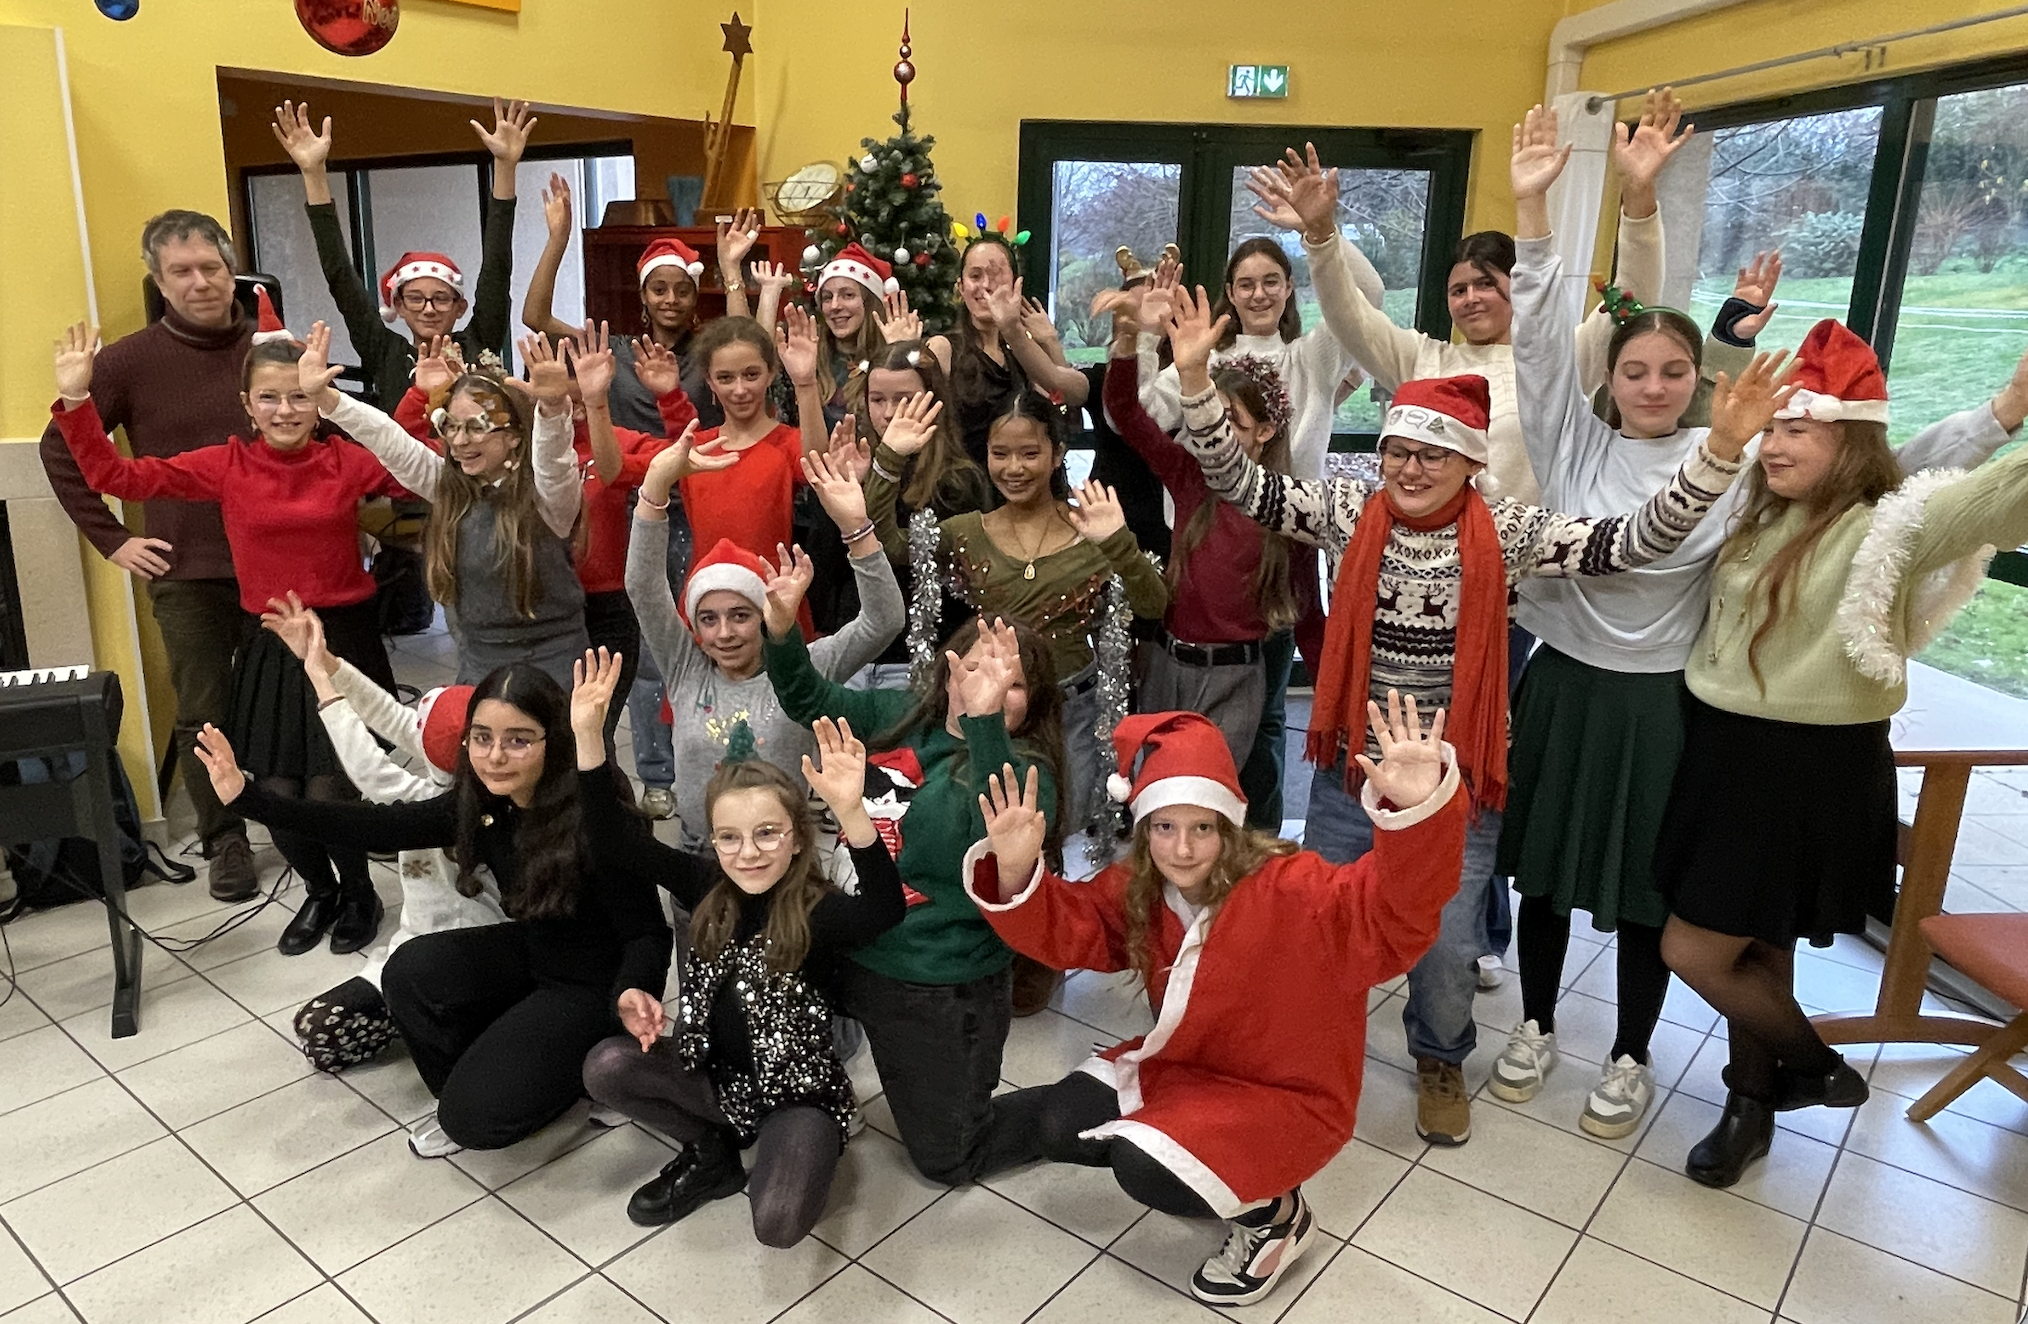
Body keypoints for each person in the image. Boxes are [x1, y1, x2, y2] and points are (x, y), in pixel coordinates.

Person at [1491, 105, 2023, 1140]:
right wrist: (1536, 211)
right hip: (1569, 680)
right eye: (1633, 368)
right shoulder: (1577, 445)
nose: (1651, 383)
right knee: (1548, 873)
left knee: (1653, 894)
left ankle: (1637, 1051)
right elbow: (1543, 343)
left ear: (1703, 385)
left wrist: (1998, 417)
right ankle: (1541, 1023)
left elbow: (1893, 484)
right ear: (1609, 377)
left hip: (1673, 709)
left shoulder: (1735, 466)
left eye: (1674, 371)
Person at [1164, 282, 1766, 1148]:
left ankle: (1441, 1058)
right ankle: (1299, 1043)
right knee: (1313, 914)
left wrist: (1717, 458)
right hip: (1349, 769)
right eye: (1399, 451)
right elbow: (1240, 483)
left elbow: (1628, 543)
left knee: (1446, 943)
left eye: (1432, 456)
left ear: (1472, 464)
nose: (1409, 469)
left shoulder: (1509, 530)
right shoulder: (1345, 509)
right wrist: (1192, 384)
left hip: (1457, 777)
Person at [1655, 319, 2028, 1189]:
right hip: (1722, 751)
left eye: (1798, 429)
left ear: (1849, 437)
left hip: (1808, 769)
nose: (1775, 445)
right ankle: (1750, 1101)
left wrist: (2013, 410)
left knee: (1694, 950)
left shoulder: (1890, 525)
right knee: (1758, 947)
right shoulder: (1758, 506)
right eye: (1773, 427)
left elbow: (1996, 500)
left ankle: (1817, 1066)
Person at [968, 698, 1463, 1306]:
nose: (1182, 850)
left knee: (1138, 1166)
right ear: (1145, 830)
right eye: (1164, 827)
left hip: (1288, 1096)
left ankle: (1277, 1216)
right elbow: (1069, 928)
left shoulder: (1298, 889)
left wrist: (1416, 816)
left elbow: (1394, 915)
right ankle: (1210, 1176)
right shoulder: (1143, 890)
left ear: (1230, 826)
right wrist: (1019, 872)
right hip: (1190, 1068)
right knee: (1060, 1124)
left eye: (1202, 827)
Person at [191, 656, 672, 1157]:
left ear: (554, 742)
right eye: (481, 737)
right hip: (535, 956)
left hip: (597, 988)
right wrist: (248, 799)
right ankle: (484, 1080)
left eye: (518, 740)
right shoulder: (486, 801)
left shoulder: (595, 815)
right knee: (409, 969)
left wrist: (631, 990)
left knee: (472, 1122)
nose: (495, 756)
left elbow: (648, 933)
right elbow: (375, 825)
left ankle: (601, 1069)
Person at [51, 312, 410, 956]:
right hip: (272, 643)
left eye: (299, 394)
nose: (284, 409)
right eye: (268, 397)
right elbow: (117, 478)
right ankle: (320, 891)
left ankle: (359, 892)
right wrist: (77, 400)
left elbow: (421, 471)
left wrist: (427, 396)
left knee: (334, 786)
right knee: (272, 789)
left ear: (319, 398)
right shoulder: (227, 465)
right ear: (247, 405)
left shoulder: (347, 462)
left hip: (340, 643)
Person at [578, 679, 905, 1246]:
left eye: (767, 834)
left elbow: (884, 909)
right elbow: (613, 844)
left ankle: (809, 1139)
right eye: (729, 838)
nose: (747, 853)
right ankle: (711, 1153)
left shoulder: (815, 910)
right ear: (713, 840)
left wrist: (852, 811)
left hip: (796, 1093)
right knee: (606, 1065)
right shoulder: (707, 884)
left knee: (777, 1223)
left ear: (798, 839)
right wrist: (588, 739)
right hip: (714, 1076)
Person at [764, 613, 1065, 1184]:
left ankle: (1091, 1100)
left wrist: (982, 722)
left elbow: (989, 811)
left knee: (950, 1159)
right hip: (852, 945)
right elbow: (807, 696)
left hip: (936, 984)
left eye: (1011, 681)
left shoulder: (1028, 774)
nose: (986, 684)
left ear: (1036, 704)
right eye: (972, 667)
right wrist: (781, 629)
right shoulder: (902, 715)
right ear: (945, 673)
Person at [36, 210, 260, 901]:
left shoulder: (270, 348)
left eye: (211, 268)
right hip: (188, 571)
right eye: (181, 272)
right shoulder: (128, 361)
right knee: (204, 709)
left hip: (278, 565)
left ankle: (312, 825)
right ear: (159, 282)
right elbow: (59, 449)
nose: (200, 283)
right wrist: (113, 539)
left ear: (232, 271)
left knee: (295, 701)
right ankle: (226, 840)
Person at [866, 392, 1167, 844]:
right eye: (1000, 453)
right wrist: (889, 458)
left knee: (1062, 827)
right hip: (995, 710)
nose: (1014, 468)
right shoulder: (966, 531)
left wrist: (1119, 543)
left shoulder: (1092, 530)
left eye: (1030, 453)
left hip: (1074, 712)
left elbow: (1153, 605)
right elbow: (885, 541)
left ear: (1058, 453)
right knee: (996, 828)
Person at [260, 594, 506, 1072]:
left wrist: (320, 684)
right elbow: (393, 716)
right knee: (320, 1031)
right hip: (412, 954)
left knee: (460, 1043)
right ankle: (414, 1016)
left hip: (471, 964)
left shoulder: (432, 807)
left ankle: (456, 1024)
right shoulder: (455, 772)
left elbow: (369, 769)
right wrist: (327, 661)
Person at [627, 443, 905, 853]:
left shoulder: (809, 668)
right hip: (700, 853)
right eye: (709, 619)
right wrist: (655, 487)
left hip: (786, 859)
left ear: (765, 615)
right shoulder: (686, 667)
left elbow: (884, 621)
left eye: (740, 615)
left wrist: (858, 530)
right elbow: (644, 586)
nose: (724, 633)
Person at [301, 322, 589, 687]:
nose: (459, 440)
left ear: (515, 437)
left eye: (476, 427)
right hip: (478, 663)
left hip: (558, 664)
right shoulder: (450, 489)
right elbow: (391, 441)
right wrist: (327, 400)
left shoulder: (549, 498)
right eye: (450, 426)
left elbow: (555, 461)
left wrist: (551, 408)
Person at [1104, 284, 1297, 766]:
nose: (1215, 433)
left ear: (1265, 431)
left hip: (1236, 675)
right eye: (1208, 420)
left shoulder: (1286, 505)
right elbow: (1128, 414)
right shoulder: (1191, 479)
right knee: (1154, 787)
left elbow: (1304, 608)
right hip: (1169, 664)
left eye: (1231, 421)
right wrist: (1130, 341)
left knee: (1211, 794)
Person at [271, 98, 533, 411]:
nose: (429, 309)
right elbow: (340, 276)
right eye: (415, 298)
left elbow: (497, 267)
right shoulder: (386, 352)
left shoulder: (479, 341)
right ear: (398, 306)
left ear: (460, 307)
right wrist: (314, 173)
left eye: (441, 298)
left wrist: (505, 167)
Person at [853, 339, 992, 689]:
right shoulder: (859, 459)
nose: (889, 413)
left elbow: (902, 557)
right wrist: (846, 490)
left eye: (904, 399)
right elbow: (835, 568)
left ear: (933, 398)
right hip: (858, 656)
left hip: (923, 659)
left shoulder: (958, 479)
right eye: (878, 399)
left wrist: (888, 465)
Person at [926, 233, 1089, 464]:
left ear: (1015, 284)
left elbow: (1073, 396)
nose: (986, 285)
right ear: (961, 288)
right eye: (975, 276)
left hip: (1023, 485)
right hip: (967, 489)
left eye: (996, 275)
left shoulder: (1021, 348)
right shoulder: (944, 348)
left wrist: (1049, 341)